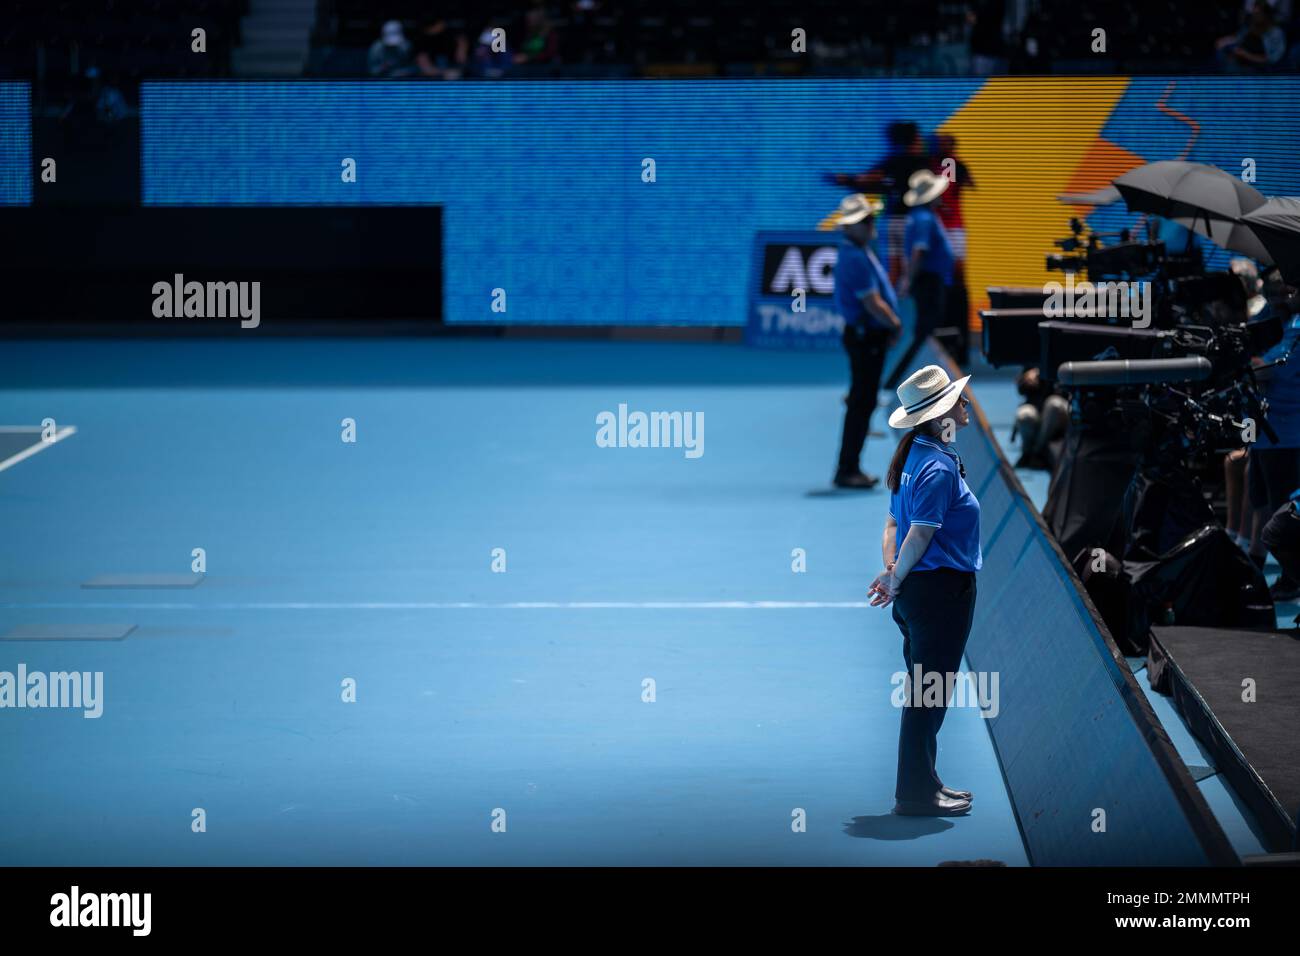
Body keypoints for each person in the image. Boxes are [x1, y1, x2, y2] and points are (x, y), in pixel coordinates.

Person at [869, 364, 982, 817]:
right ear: (941, 416)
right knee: (928, 698)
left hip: (920, 592)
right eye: (959, 400)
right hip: (940, 595)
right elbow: (918, 533)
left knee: (924, 695)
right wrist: (895, 578)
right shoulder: (936, 467)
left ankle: (924, 782)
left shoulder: (915, 454)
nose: (967, 403)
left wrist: (894, 572)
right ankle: (915, 795)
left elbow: (892, 524)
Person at [831, 194, 904, 490]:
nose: (871, 224)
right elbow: (873, 302)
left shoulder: (859, 251)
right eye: (865, 221)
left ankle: (850, 466)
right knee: (862, 403)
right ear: (850, 227)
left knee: (862, 401)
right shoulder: (856, 257)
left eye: (871, 218)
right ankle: (848, 468)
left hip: (866, 337)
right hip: (866, 338)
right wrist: (895, 323)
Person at [884, 170, 955, 390]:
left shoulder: (922, 215)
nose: (941, 195)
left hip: (929, 280)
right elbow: (919, 251)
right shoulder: (924, 218)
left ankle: (910, 378)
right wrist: (908, 279)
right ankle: (901, 379)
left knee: (925, 331)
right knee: (925, 333)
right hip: (928, 281)